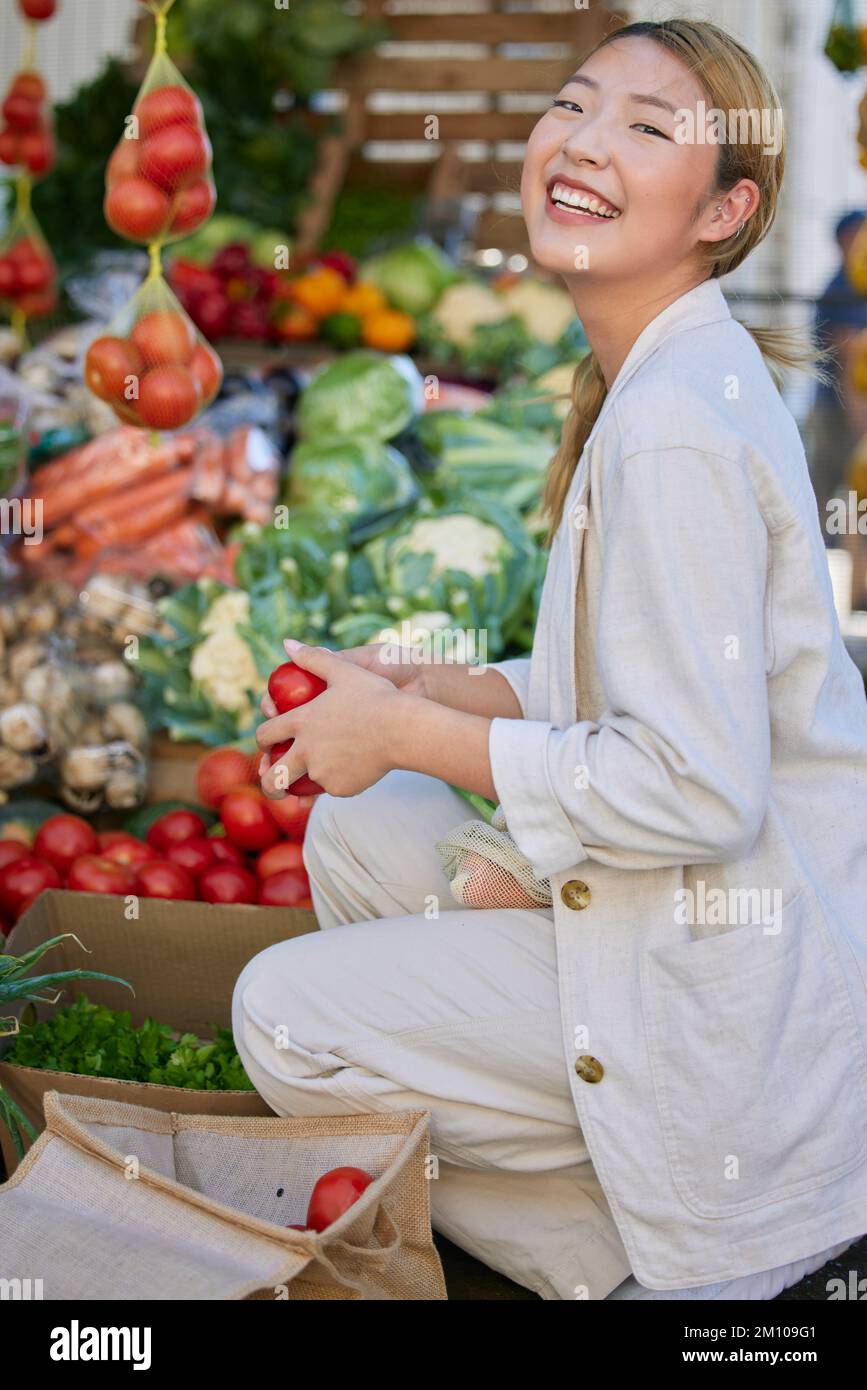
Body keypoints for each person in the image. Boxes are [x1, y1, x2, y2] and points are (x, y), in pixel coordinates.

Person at [232, 17, 867, 1300]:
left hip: (725, 990)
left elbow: (696, 786)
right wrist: (419, 690)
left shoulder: (674, 429)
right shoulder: (657, 375)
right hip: (700, 923)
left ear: (725, 208)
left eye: (647, 127)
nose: (581, 142)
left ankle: (659, 1266)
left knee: (280, 1013)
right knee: (360, 829)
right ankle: (626, 1205)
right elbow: (623, 675)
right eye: (574, 105)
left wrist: (410, 734)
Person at [803, 209, 867, 536]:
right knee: (831, 483)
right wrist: (860, 419)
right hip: (838, 406)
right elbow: (848, 351)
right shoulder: (841, 290)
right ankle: (823, 545)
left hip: (851, 405)